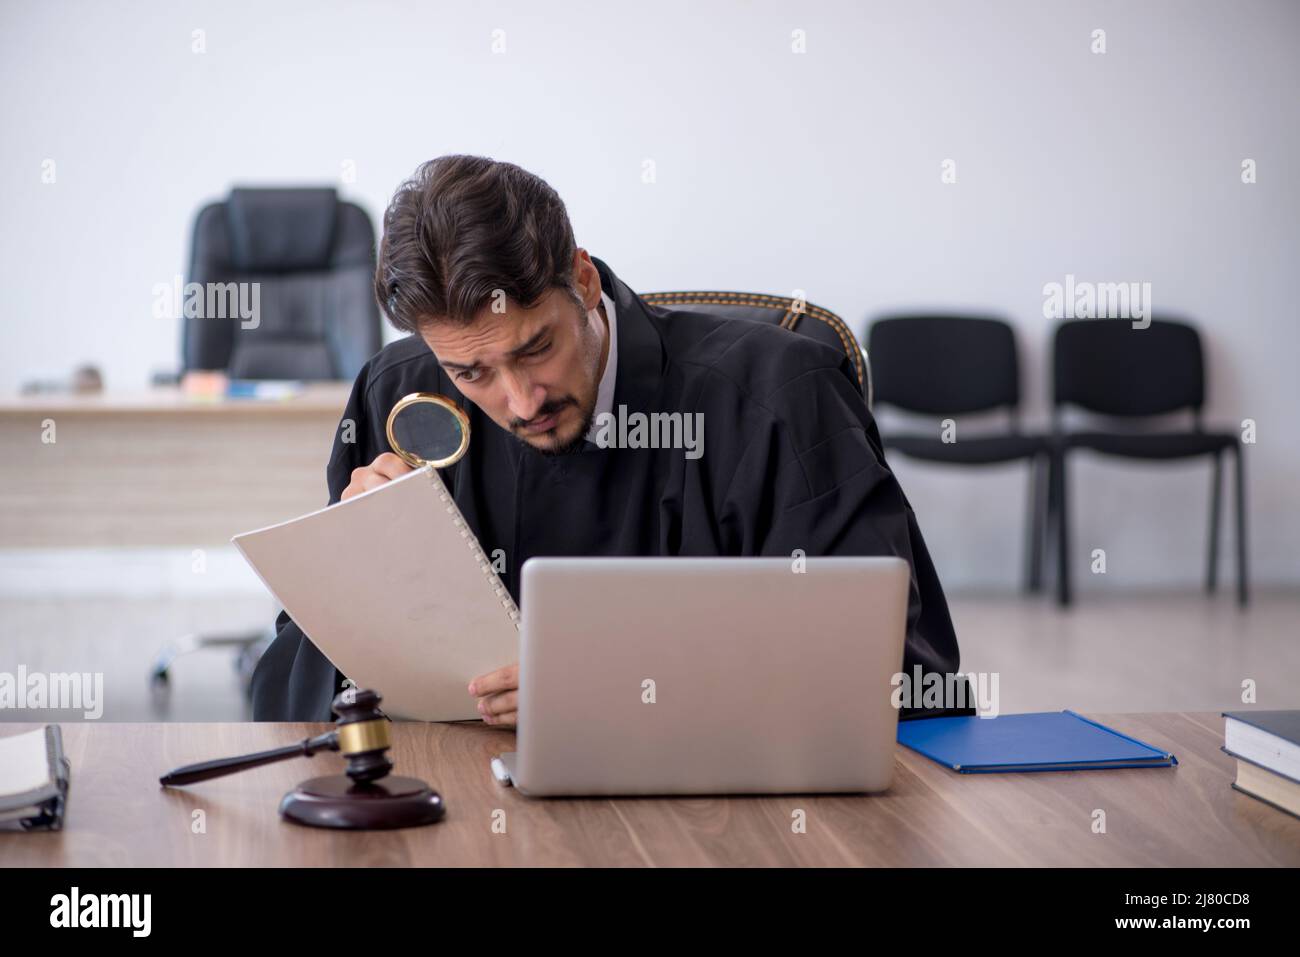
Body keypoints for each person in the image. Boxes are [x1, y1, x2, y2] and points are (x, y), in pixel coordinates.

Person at [250, 154, 969, 724]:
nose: (520, 400)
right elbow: (280, 690)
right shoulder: (401, 395)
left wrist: (625, 684)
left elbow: (907, 676)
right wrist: (356, 581)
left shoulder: (779, 398)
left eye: (536, 348)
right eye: (472, 371)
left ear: (584, 281)